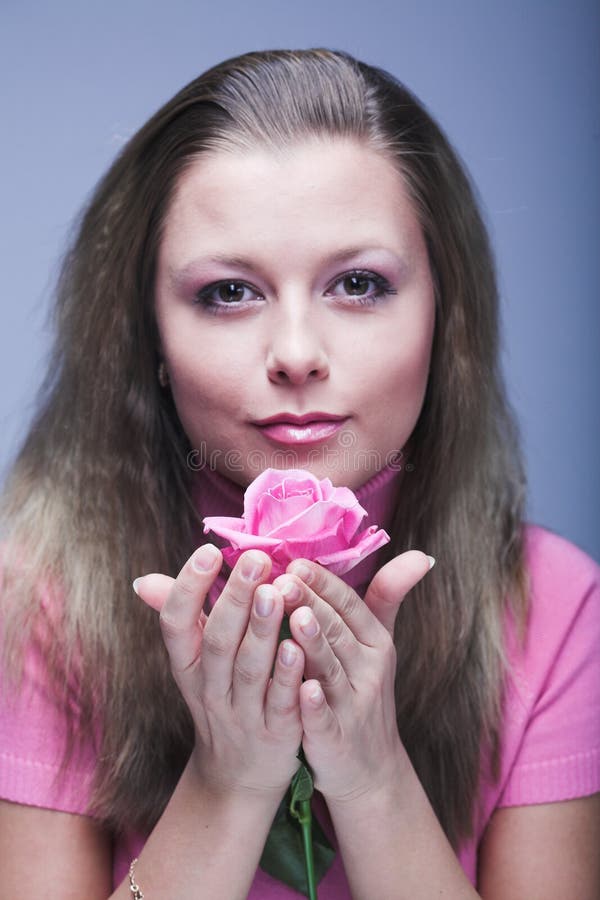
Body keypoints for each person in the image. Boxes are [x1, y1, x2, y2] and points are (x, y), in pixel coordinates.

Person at [0, 48, 598, 899]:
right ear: (151, 342)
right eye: (229, 293)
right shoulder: (38, 606)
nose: (295, 355)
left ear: (445, 317)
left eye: (357, 284)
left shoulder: (558, 609)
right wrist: (229, 781)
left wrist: (372, 776)